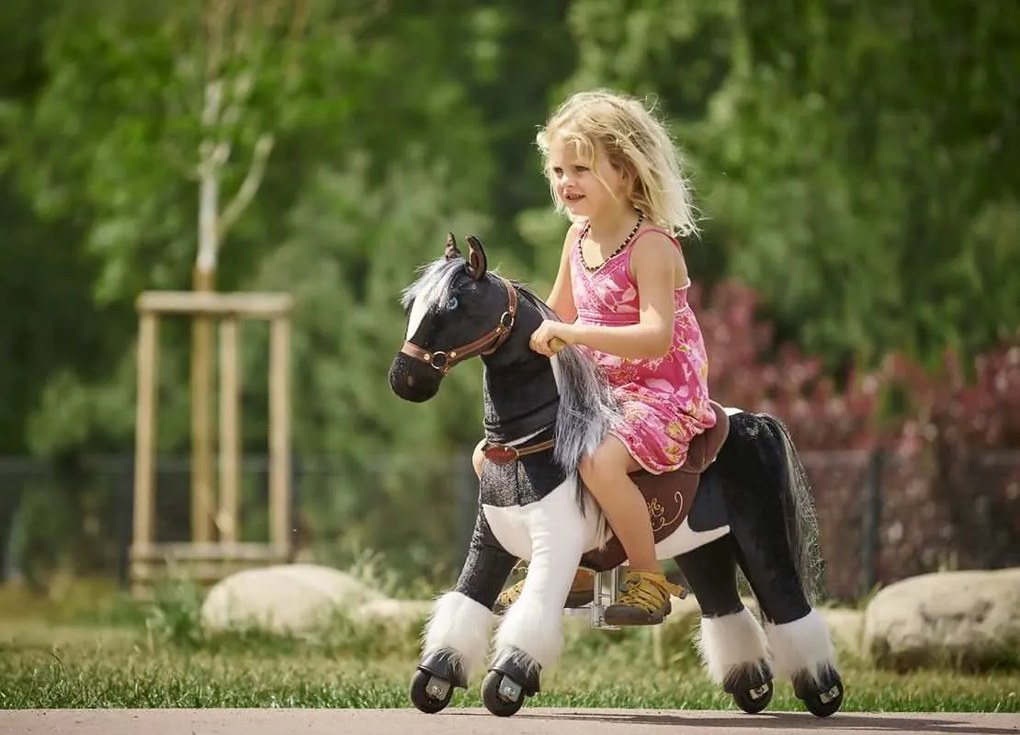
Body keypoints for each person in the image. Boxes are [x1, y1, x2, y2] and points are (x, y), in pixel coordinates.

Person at [480, 89, 717, 626]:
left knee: (597, 459)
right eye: (559, 170)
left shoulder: (653, 246)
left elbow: (656, 337)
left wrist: (572, 332)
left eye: (581, 169)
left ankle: (648, 577)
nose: (566, 182)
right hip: (599, 392)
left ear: (627, 174)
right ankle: (566, 567)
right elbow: (554, 317)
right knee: (497, 454)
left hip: (661, 395)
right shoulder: (576, 237)